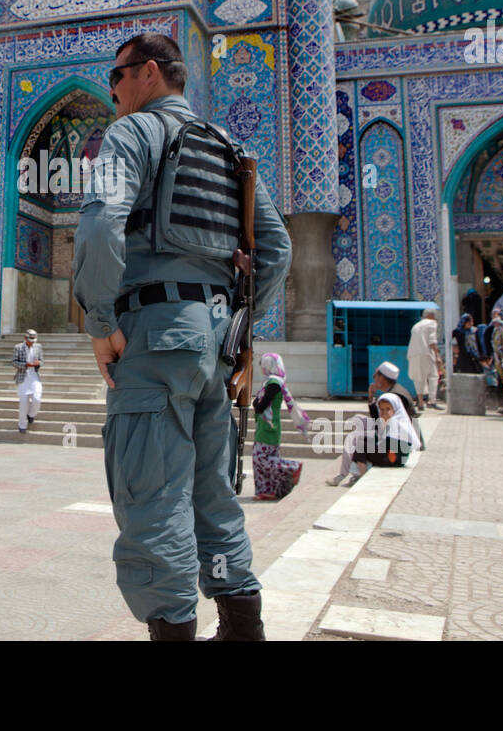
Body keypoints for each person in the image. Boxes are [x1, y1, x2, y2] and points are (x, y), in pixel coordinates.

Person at [73, 32, 291, 642]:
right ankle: (243, 626)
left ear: (146, 73)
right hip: (215, 348)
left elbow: (97, 228)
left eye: (115, 77)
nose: (110, 90)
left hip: (154, 337)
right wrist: (239, 329)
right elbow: (276, 250)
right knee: (211, 493)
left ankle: (173, 631)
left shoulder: (135, 133)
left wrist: (99, 324)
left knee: (152, 496)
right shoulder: (230, 149)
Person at [326, 388, 420, 488]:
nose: (384, 412)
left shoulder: (396, 423)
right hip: (391, 456)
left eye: (388, 409)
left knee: (361, 445)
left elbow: (388, 446)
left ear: (395, 410)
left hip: (393, 459)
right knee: (362, 442)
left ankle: (361, 476)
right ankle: (356, 475)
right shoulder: (395, 420)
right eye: (382, 410)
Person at [251, 352, 308, 502]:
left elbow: (261, 405)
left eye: (263, 366)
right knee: (267, 458)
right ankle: (268, 491)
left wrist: (256, 404)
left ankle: (292, 467)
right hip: (268, 426)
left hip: (268, 427)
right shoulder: (273, 382)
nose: (262, 369)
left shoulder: (273, 382)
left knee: (261, 459)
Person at [406, 308, 442, 411]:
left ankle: (421, 402)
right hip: (426, 353)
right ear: (432, 315)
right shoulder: (432, 323)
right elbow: (432, 341)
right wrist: (438, 356)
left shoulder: (416, 326)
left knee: (418, 378)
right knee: (433, 375)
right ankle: (432, 400)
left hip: (413, 354)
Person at [12, 329, 43, 433]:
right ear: (25, 338)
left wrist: (38, 363)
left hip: (34, 376)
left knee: (37, 398)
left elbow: (42, 361)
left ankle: (31, 414)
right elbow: (14, 362)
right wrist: (25, 365)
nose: (32, 342)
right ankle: (22, 425)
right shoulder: (18, 347)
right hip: (23, 377)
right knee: (24, 403)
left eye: (33, 340)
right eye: (30, 340)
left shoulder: (38, 347)